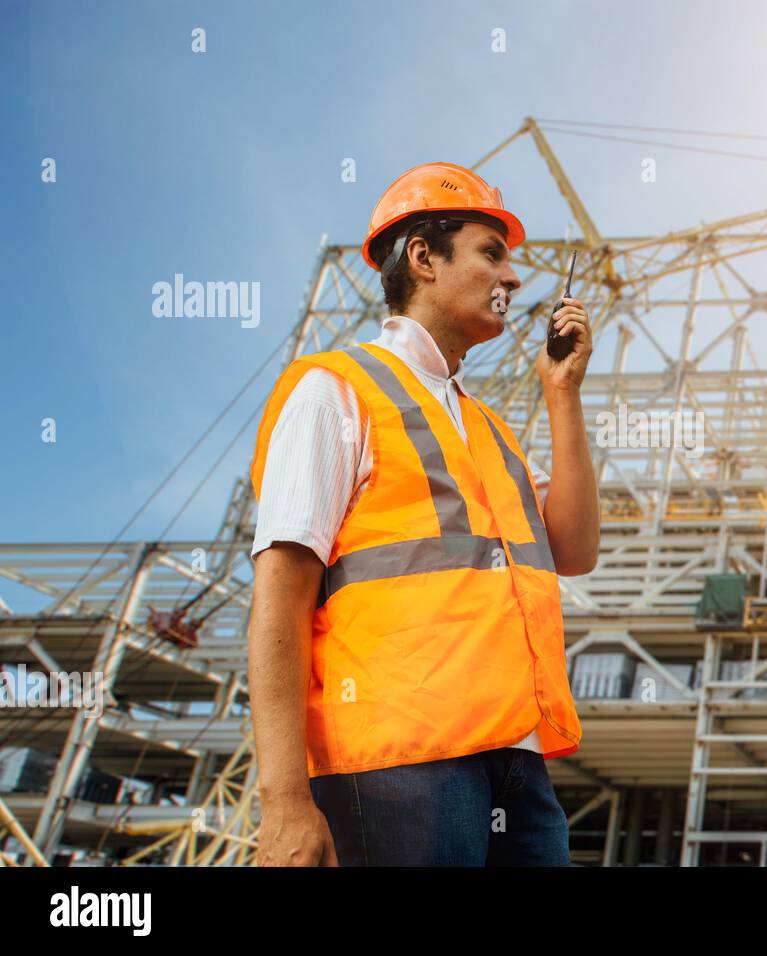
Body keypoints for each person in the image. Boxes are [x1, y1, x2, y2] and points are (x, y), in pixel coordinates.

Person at [246, 162, 599, 866]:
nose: (513, 278)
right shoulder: (337, 393)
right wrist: (284, 801)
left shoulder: (491, 432)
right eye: (491, 253)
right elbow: (279, 600)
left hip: (517, 770)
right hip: (396, 764)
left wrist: (563, 395)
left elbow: (574, 548)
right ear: (423, 258)